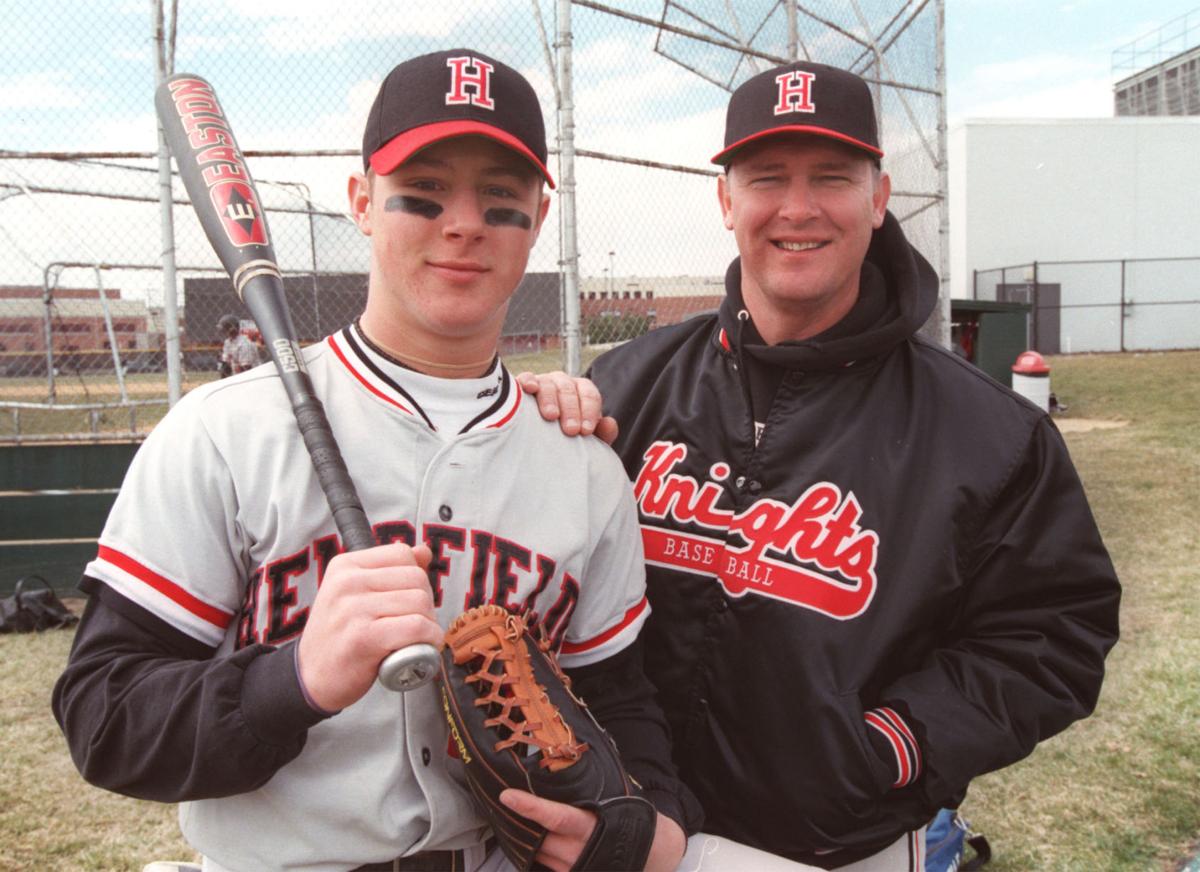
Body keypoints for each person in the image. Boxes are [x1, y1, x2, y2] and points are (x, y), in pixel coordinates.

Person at [53, 49, 697, 872]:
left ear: (539, 217)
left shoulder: (581, 465)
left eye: (500, 201)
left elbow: (621, 700)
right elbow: (103, 718)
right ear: (362, 201)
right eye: (423, 192)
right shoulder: (224, 432)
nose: (463, 224)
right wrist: (292, 681)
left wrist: (641, 820)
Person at [523, 60, 1121, 870]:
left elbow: (1057, 631)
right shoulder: (629, 385)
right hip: (626, 829)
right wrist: (525, 425)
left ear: (877, 200)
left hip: (838, 850)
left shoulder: (989, 432)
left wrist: (892, 746)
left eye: (832, 178)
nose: (797, 209)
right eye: (767, 177)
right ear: (726, 201)